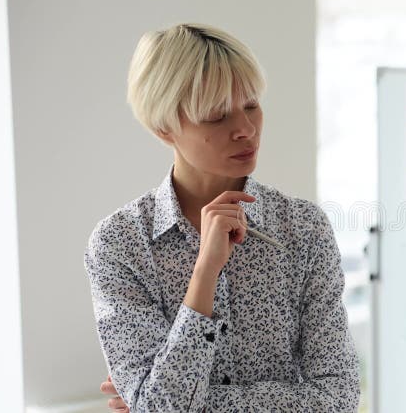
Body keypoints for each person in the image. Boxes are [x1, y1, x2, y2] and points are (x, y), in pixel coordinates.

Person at [83, 23, 360, 412]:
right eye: (216, 116)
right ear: (164, 128)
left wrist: (172, 402)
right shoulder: (120, 245)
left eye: (250, 105)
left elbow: (338, 398)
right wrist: (205, 273)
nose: (246, 129)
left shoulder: (303, 229)